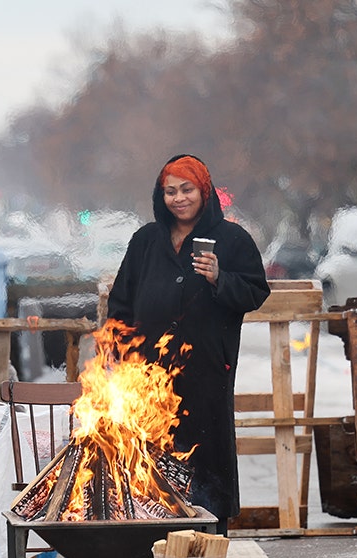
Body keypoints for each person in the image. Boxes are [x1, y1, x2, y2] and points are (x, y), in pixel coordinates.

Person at [106, 154, 271, 534]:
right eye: (170, 191)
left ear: (204, 191)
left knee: (206, 459)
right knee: (151, 459)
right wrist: (120, 352)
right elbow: (121, 303)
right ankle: (152, 542)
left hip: (206, 373)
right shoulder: (146, 241)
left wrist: (219, 278)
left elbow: (255, 291)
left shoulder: (232, 239)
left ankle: (209, 543)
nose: (178, 198)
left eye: (187, 189)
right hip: (147, 377)